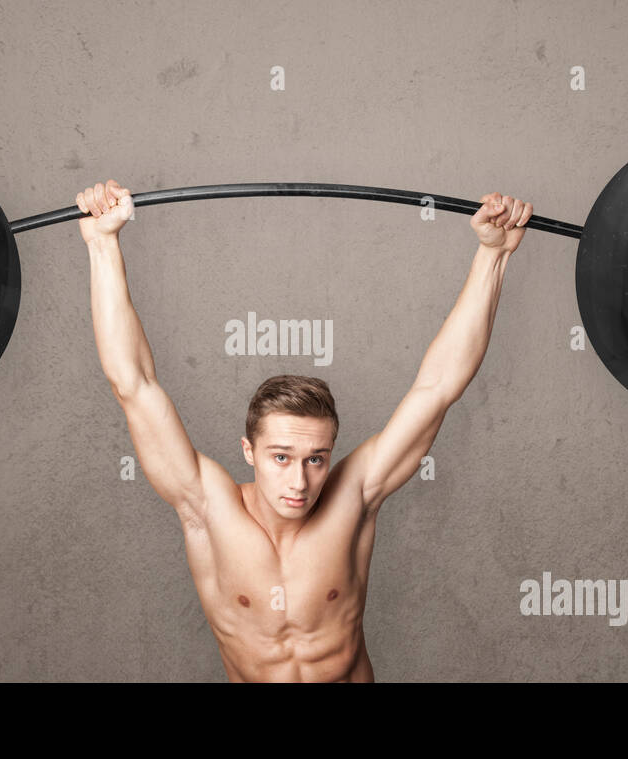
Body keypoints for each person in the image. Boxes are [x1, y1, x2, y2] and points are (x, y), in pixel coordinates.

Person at [78, 179, 532, 681]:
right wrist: (103, 242)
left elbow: (440, 387)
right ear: (248, 450)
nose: (300, 482)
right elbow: (134, 384)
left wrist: (492, 255)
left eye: (316, 458)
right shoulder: (207, 507)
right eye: (281, 458)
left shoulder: (354, 495)